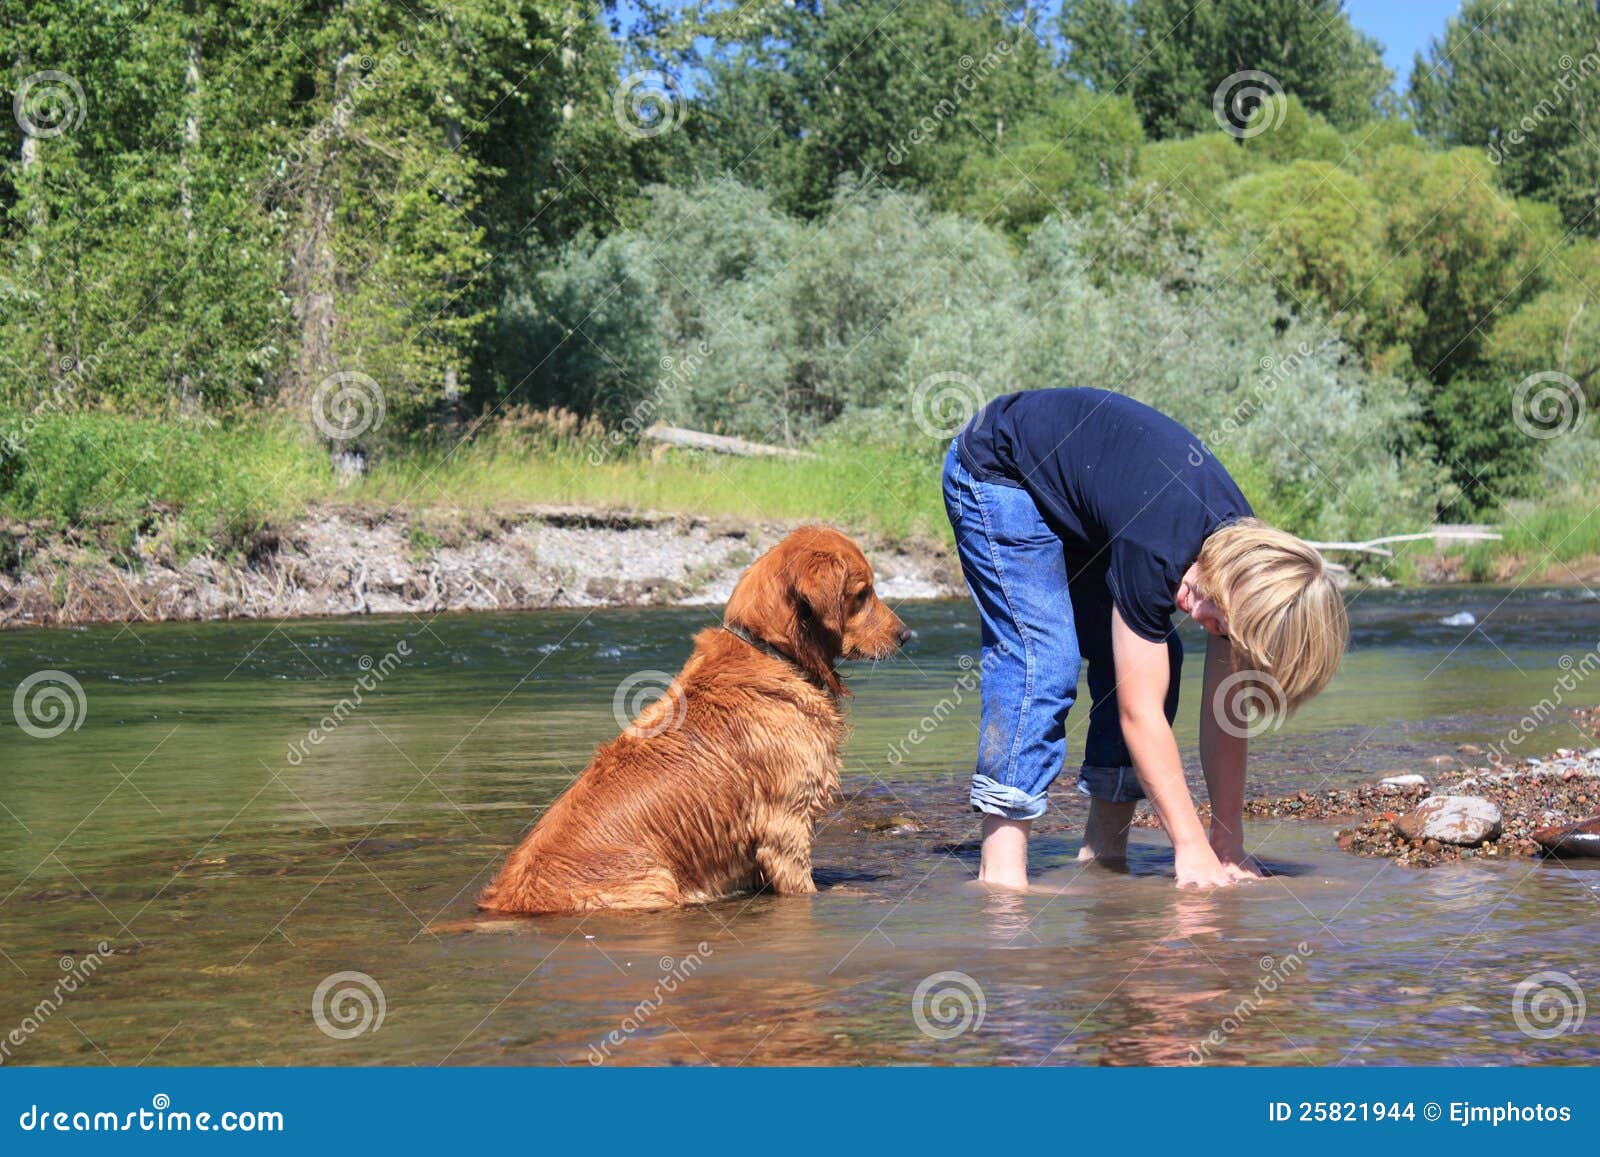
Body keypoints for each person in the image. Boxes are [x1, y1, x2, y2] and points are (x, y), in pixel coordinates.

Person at [941, 387, 1348, 890]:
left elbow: (1225, 714)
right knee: (1043, 659)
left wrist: (1226, 842)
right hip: (997, 469)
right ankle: (1000, 878)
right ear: (1223, 569)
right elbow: (1140, 715)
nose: (1198, 613)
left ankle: (1103, 861)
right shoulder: (1159, 544)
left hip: (1085, 503)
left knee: (1154, 660)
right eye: (1211, 602)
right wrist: (1190, 845)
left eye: (1222, 627)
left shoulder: (1250, 575)